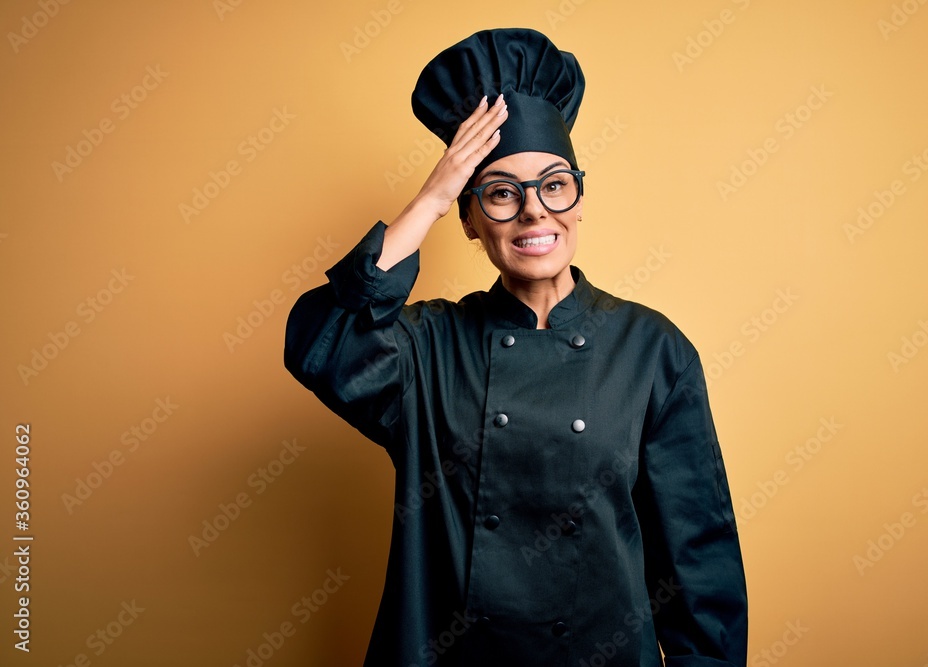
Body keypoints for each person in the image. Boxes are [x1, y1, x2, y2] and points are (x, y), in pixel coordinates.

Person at [284, 27, 747, 667]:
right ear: (471, 222)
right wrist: (432, 197)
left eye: (555, 185)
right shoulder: (425, 347)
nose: (535, 212)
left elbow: (698, 557)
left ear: (579, 200)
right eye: (501, 193)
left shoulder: (652, 350)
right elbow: (321, 341)